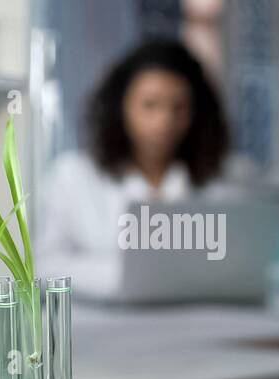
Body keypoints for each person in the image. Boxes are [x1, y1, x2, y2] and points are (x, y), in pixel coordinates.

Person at [35, 38, 243, 295]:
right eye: (150, 105)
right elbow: (45, 268)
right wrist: (128, 273)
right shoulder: (72, 176)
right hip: (100, 328)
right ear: (120, 107)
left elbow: (238, 268)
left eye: (179, 108)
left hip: (198, 325)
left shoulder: (221, 184)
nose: (165, 121)